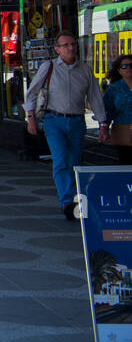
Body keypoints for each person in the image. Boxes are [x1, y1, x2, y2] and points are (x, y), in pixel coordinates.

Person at [25, 32, 108, 220]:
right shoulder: (50, 67)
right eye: (65, 45)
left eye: (72, 44)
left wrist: (103, 124)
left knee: (75, 161)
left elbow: (95, 97)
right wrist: (30, 117)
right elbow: (32, 92)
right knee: (61, 160)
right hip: (54, 120)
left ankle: (75, 197)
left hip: (77, 120)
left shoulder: (85, 69)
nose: (70, 48)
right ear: (57, 49)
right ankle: (67, 202)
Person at [101, 54, 132, 166]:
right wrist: (104, 128)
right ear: (119, 70)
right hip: (123, 132)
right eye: (124, 66)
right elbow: (107, 110)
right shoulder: (114, 89)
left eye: (131, 65)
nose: (128, 68)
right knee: (125, 163)